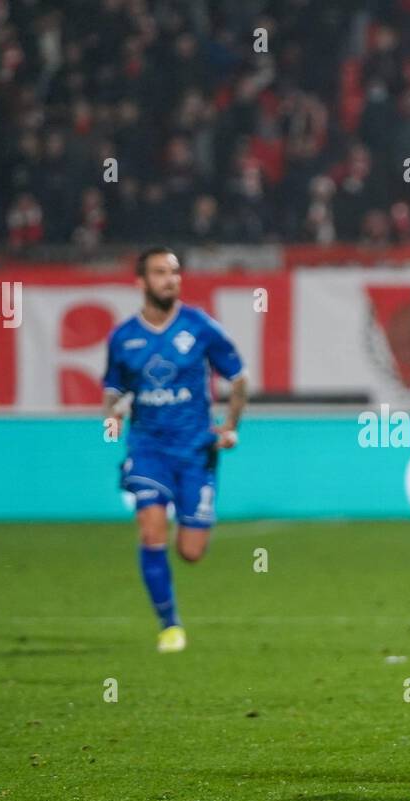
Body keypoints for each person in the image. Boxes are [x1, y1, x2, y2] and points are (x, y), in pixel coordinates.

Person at [102, 246, 248, 651]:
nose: (171, 279)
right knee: (151, 528)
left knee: (191, 551)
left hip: (196, 450)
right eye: (161, 272)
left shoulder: (200, 327)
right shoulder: (124, 338)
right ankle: (169, 626)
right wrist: (112, 415)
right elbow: (113, 388)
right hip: (147, 447)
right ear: (141, 282)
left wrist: (231, 426)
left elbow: (238, 378)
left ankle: (191, 529)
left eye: (174, 272)